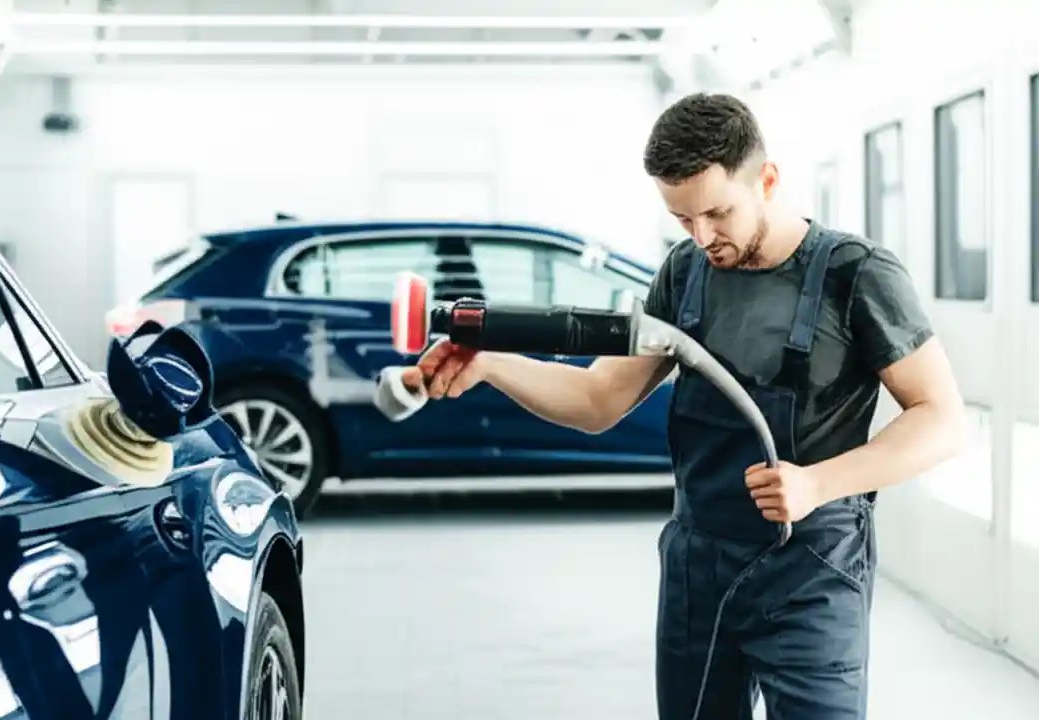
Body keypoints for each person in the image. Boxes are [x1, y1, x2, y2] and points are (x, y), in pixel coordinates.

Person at [400, 93, 967, 719]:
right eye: (682, 220)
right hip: (700, 566)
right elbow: (598, 399)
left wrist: (818, 484)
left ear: (768, 180)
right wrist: (490, 365)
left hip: (812, 570)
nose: (703, 237)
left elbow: (940, 418)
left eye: (717, 213)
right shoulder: (684, 272)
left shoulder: (855, 274)